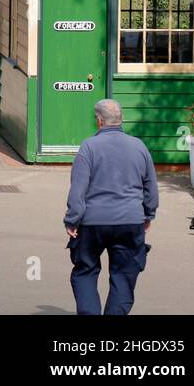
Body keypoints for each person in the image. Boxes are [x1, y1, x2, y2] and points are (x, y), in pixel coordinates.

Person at [64, 99, 159, 315]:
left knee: (85, 271)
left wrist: (72, 219)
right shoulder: (139, 147)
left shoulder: (88, 146)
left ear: (98, 121)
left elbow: (78, 187)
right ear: (121, 119)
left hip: (92, 222)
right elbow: (150, 187)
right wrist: (148, 215)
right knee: (124, 276)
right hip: (130, 221)